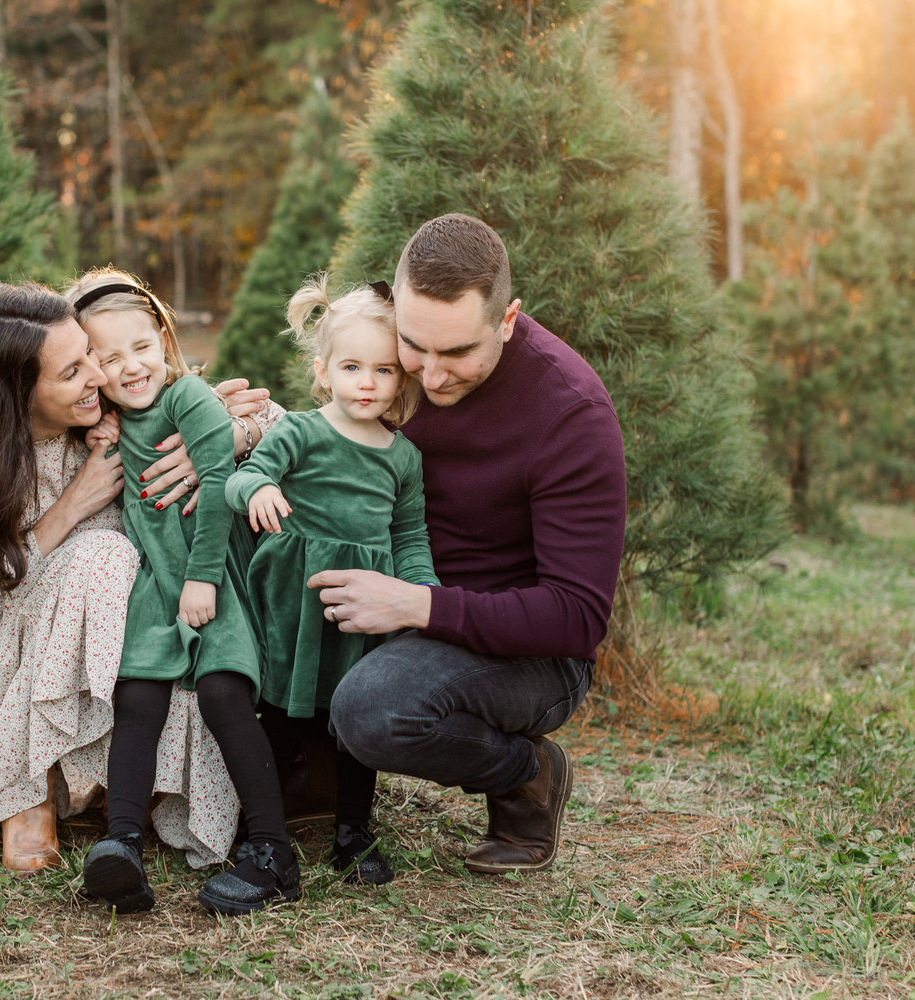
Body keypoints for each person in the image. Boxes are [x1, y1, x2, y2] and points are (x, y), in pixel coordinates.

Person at [309, 214, 627, 875]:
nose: (430, 375)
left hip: (528, 651)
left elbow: (575, 617)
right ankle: (307, 777)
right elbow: (328, 440)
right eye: (415, 346)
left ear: (507, 320)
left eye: (457, 354)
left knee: (373, 711)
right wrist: (241, 440)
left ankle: (526, 775)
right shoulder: (389, 363)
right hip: (400, 602)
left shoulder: (570, 413)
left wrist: (419, 606)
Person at [0, 282, 232, 875]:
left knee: (157, 593)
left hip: (134, 632)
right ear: (17, 394)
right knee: (102, 553)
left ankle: (125, 779)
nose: (98, 377)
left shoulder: (113, 416)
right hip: (17, 648)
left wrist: (234, 433)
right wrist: (70, 507)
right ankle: (32, 787)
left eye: (89, 356)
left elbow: (272, 416)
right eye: (72, 372)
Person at [67, 268, 299, 917]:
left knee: (225, 693)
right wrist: (100, 434)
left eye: (141, 347)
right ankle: (121, 845)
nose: (131, 365)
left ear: (162, 341)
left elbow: (221, 479)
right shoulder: (117, 418)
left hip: (209, 572)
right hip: (155, 585)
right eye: (110, 359)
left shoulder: (186, 397)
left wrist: (201, 579)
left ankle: (274, 850)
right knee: (137, 696)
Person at [225, 274, 440, 887]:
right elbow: (241, 479)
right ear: (323, 372)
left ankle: (354, 833)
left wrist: (424, 597)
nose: (366, 383)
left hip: (360, 607)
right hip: (292, 596)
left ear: (402, 378)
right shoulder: (299, 430)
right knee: (282, 718)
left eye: (383, 370)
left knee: (349, 724)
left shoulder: (402, 456)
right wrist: (260, 486)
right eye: (351, 367)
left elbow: (409, 537)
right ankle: (258, 827)